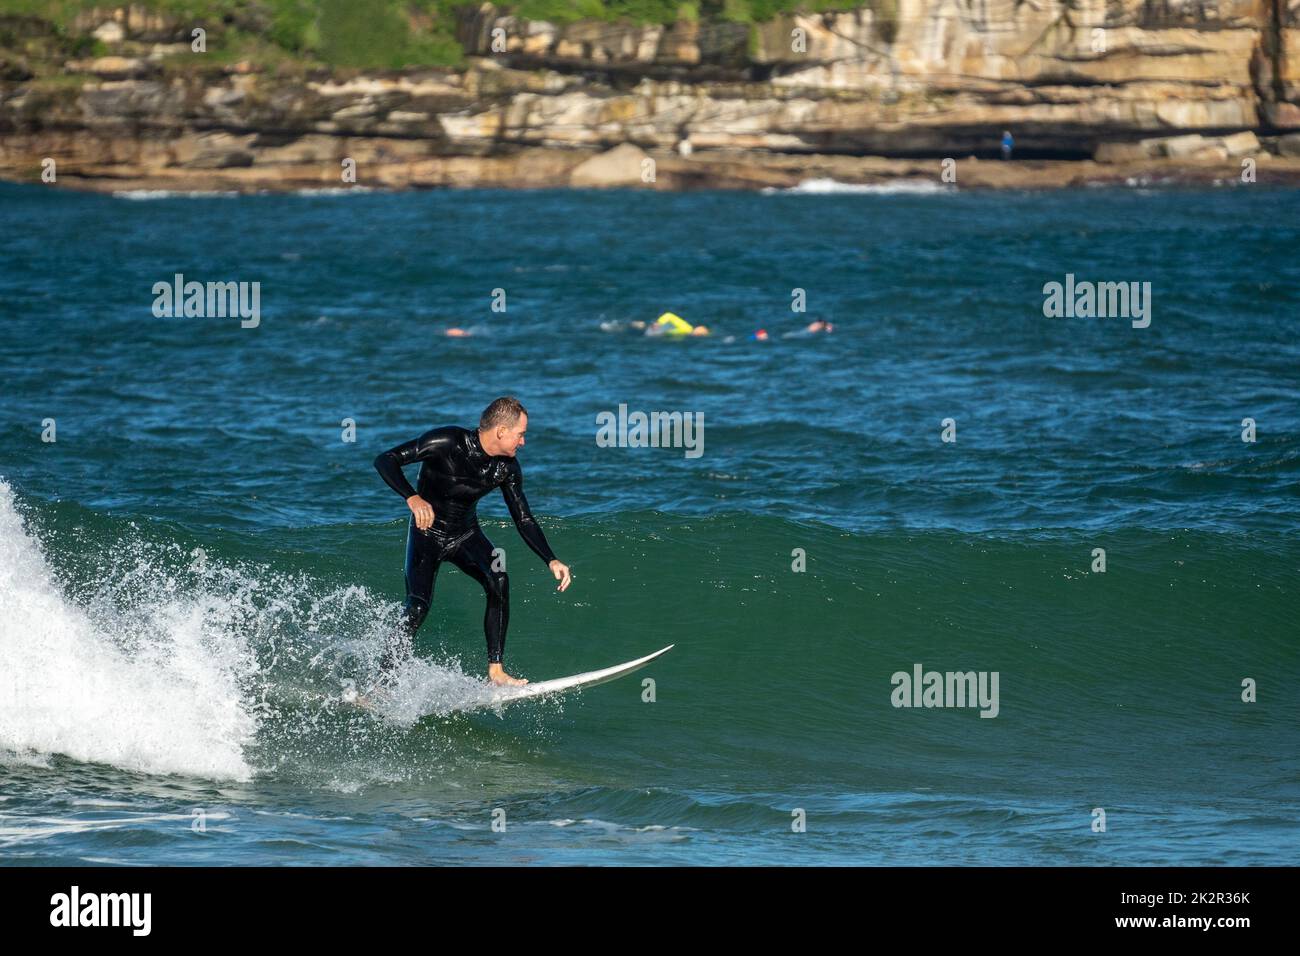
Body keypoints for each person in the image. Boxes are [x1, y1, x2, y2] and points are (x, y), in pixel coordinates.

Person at [372, 397, 572, 687]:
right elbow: (385, 459)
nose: (523, 442)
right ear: (501, 431)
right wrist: (412, 498)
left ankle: (496, 671)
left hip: (465, 534)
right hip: (426, 533)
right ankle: (381, 685)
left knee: (499, 577)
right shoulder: (447, 441)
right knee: (417, 607)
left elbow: (523, 518)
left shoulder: (507, 469)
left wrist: (551, 559)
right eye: (521, 434)